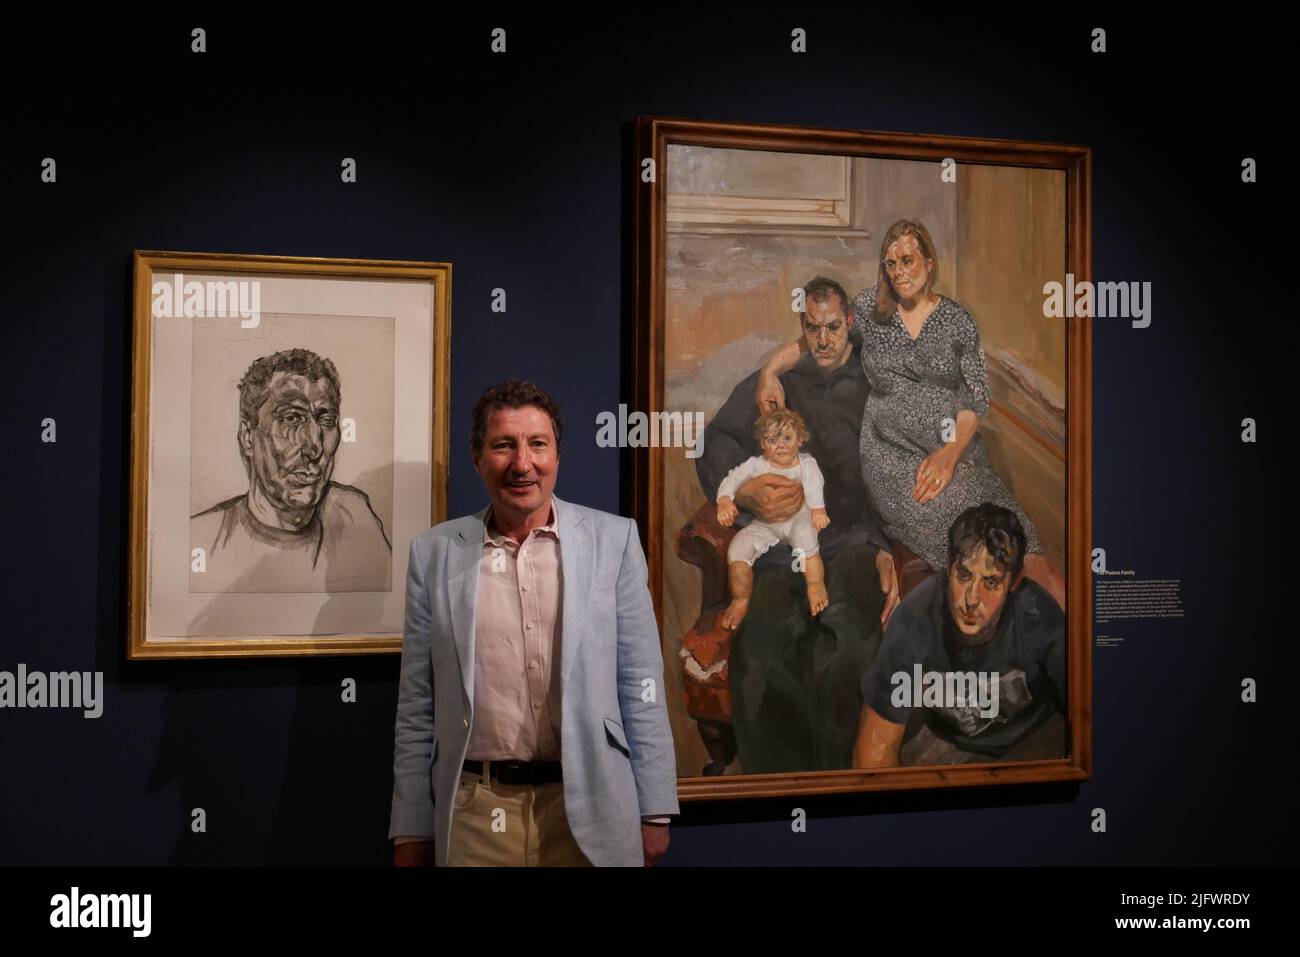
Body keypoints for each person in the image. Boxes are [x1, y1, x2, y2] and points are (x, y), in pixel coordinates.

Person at [389, 379, 679, 866]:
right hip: (476, 815)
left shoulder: (615, 541)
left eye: (537, 444)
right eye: (504, 445)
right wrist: (412, 824)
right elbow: (417, 704)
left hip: (591, 807)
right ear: (478, 458)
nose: (522, 463)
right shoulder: (433, 554)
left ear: (557, 456)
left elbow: (642, 684)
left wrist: (654, 809)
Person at [757, 220, 1066, 609]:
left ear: (930, 262)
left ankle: (1067, 652)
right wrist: (769, 371)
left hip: (954, 452)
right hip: (891, 455)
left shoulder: (958, 321)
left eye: (908, 260)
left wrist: (949, 456)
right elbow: (813, 336)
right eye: (890, 263)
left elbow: (975, 399)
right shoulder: (870, 310)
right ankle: (994, 626)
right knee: (976, 547)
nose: (899, 271)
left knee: (1027, 550)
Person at [694, 277, 896, 774]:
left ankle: (834, 789)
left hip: (851, 542)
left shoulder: (877, 377)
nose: (823, 340)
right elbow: (713, 442)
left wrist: (888, 546)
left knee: (847, 653)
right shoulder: (778, 385)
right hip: (780, 545)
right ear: (801, 329)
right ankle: (779, 790)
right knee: (761, 653)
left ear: (849, 322)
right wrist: (744, 493)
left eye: (832, 327)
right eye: (812, 329)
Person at [853, 503, 1067, 767]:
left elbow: (1087, 715)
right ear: (948, 567)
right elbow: (875, 749)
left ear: (1013, 583)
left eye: (990, 582)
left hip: (1037, 734)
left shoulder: (1039, 615)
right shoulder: (915, 620)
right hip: (951, 743)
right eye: (964, 575)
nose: (971, 599)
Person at [190, 347, 391, 593]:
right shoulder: (201, 540)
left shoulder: (354, 516)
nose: (314, 446)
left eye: (326, 420)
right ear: (248, 438)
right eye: (292, 418)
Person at [716, 408, 830, 627]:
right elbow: (732, 479)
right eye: (772, 439)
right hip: (766, 523)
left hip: (798, 517)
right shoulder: (755, 464)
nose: (781, 445)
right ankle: (741, 599)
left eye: (787, 438)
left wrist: (817, 509)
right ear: (762, 443)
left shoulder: (806, 464)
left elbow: (815, 484)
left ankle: (815, 585)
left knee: (806, 538)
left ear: (800, 439)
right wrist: (724, 501)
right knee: (737, 549)